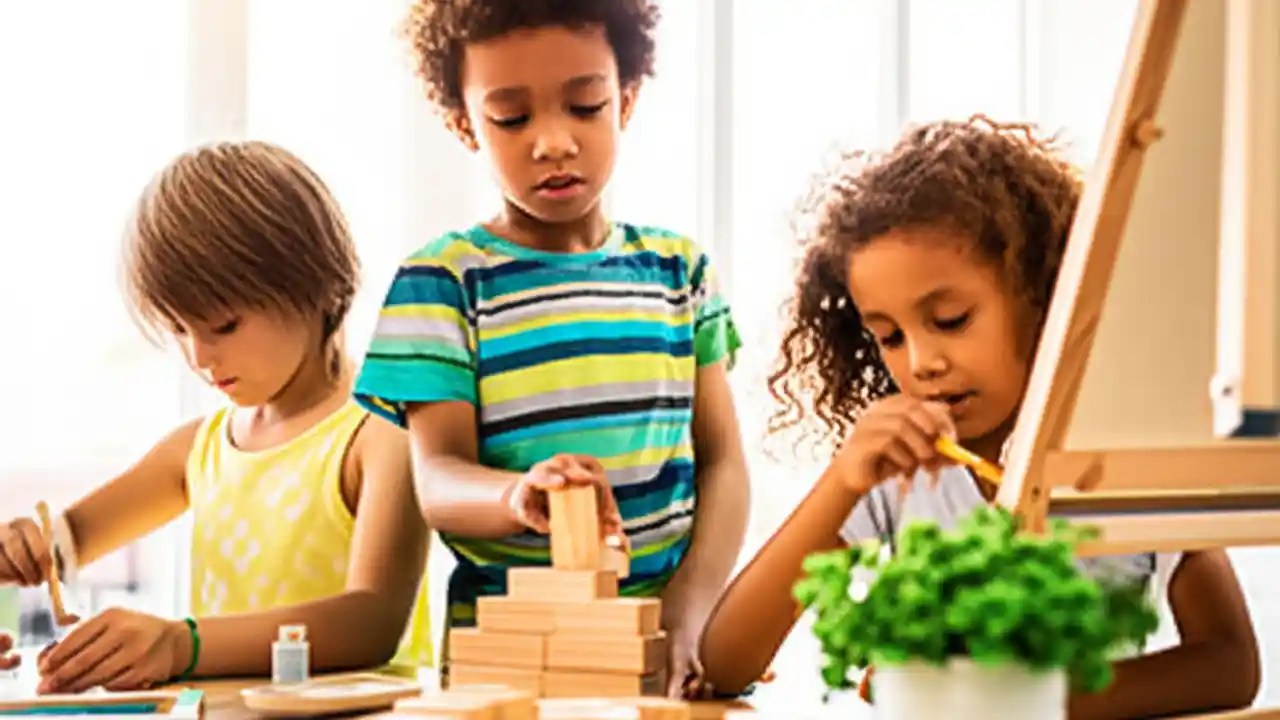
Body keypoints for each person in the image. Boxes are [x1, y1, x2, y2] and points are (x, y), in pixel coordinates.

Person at [697, 116, 1262, 718]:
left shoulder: (1117, 459)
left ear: (1043, 297)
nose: (921, 363)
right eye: (888, 337)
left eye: (950, 320)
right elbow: (728, 662)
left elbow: (1229, 663)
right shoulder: (899, 472)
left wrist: (1011, 704)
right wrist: (842, 482)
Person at [353, 0, 751, 698]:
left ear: (625, 100)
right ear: (463, 124)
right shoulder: (442, 282)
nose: (554, 142)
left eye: (585, 104)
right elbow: (438, 478)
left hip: (669, 662)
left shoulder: (678, 270)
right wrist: (516, 495)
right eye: (512, 118)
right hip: (509, 671)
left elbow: (723, 463)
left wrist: (694, 602)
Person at [0, 141, 433, 694]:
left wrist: (183, 643)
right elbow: (65, 542)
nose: (199, 358)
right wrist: (22, 550)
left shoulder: (378, 432)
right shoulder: (197, 449)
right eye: (179, 329)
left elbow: (371, 621)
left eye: (224, 326)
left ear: (322, 287)